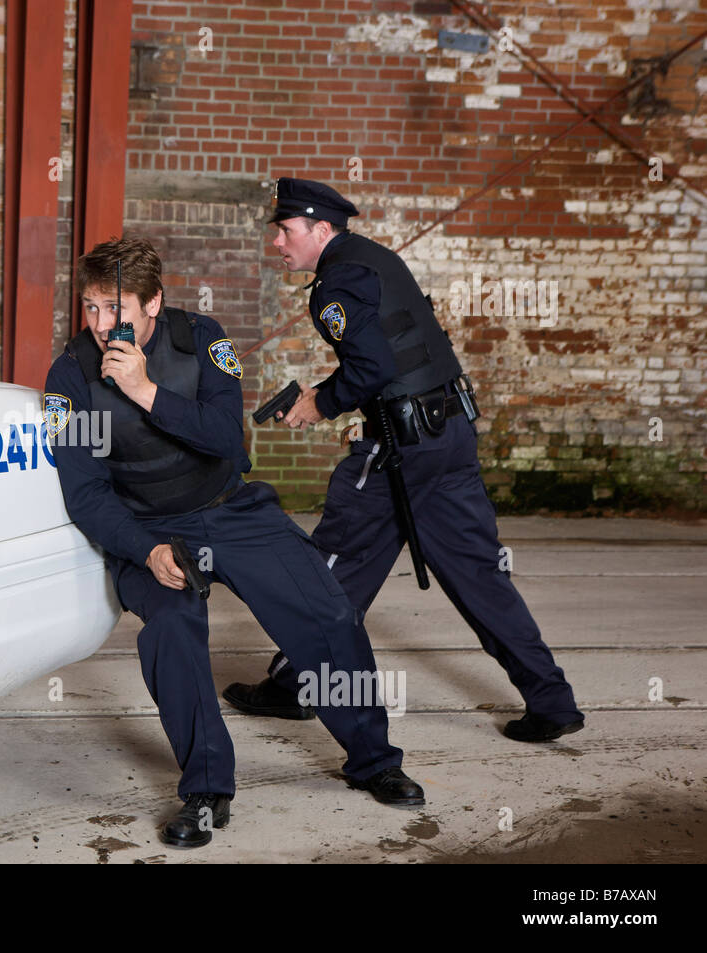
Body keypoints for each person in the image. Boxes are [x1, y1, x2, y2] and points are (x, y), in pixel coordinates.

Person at [43, 235, 424, 850]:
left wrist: (146, 392)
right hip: (150, 533)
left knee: (326, 611)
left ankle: (374, 759)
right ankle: (206, 789)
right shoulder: (69, 376)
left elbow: (226, 438)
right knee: (171, 631)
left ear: (153, 304)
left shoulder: (202, 339)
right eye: (90, 308)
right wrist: (145, 551)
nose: (99, 324)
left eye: (115, 310)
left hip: (229, 510)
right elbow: (85, 494)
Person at [223, 178, 584, 744]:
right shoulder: (376, 258)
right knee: (477, 573)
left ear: (321, 230)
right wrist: (330, 393)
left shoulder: (334, 284)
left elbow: (371, 370)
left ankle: (295, 687)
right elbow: (399, 349)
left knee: (332, 563)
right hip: (450, 435)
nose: (276, 242)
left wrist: (319, 403)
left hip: (399, 448)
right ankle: (552, 700)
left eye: (285, 230)